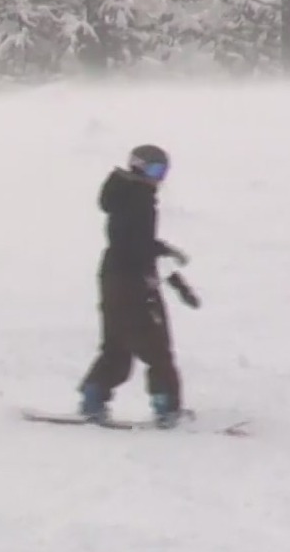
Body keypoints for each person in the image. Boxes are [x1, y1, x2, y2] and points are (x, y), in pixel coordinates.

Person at [77, 144, 200, 428]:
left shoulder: (123, 194)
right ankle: (166, 406)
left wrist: (162, 250)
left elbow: (130, 240)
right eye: (155, 170)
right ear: (138, 166)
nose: (159, 178)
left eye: (163, 171)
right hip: (133, 281)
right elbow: (137, 245)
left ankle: (93, 396)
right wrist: (169, 273)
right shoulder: (138, 198)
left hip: (112, 276)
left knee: (117, 345)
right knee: (156, 348)